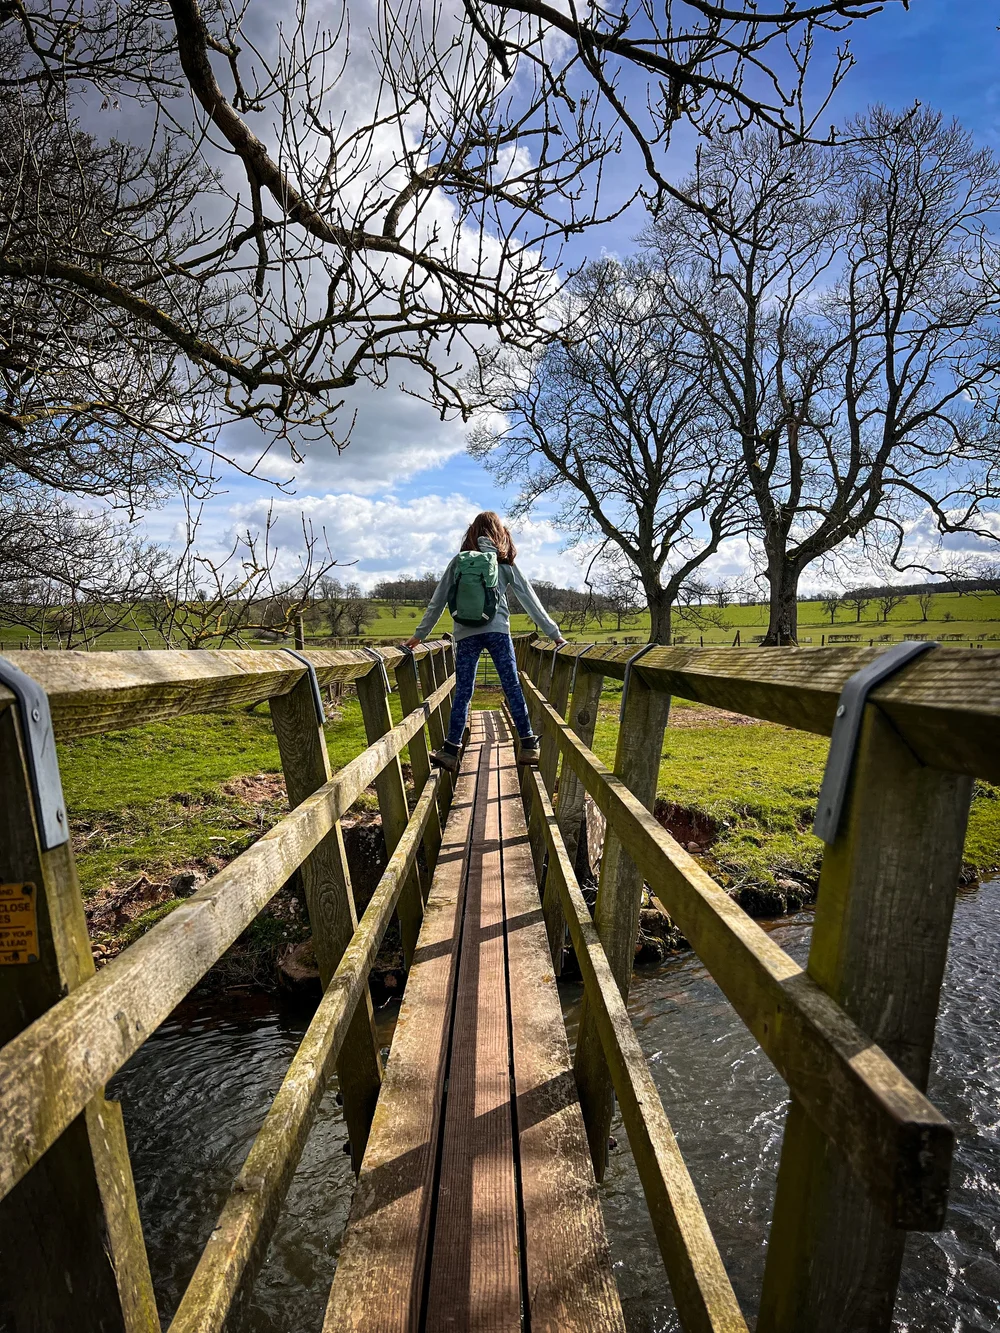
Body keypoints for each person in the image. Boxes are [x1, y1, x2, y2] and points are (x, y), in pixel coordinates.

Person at [405, 511, 566, 770]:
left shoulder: (459, 562)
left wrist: (419, 635)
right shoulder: (504, 563)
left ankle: (450, 750)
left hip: (465, 633)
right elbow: (530, 599)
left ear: (471, 532)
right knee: (512, 685)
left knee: (464, 690)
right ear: (499, 533)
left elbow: (438, 601)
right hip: (498, 632)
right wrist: (554, 634)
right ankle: (527, 745)